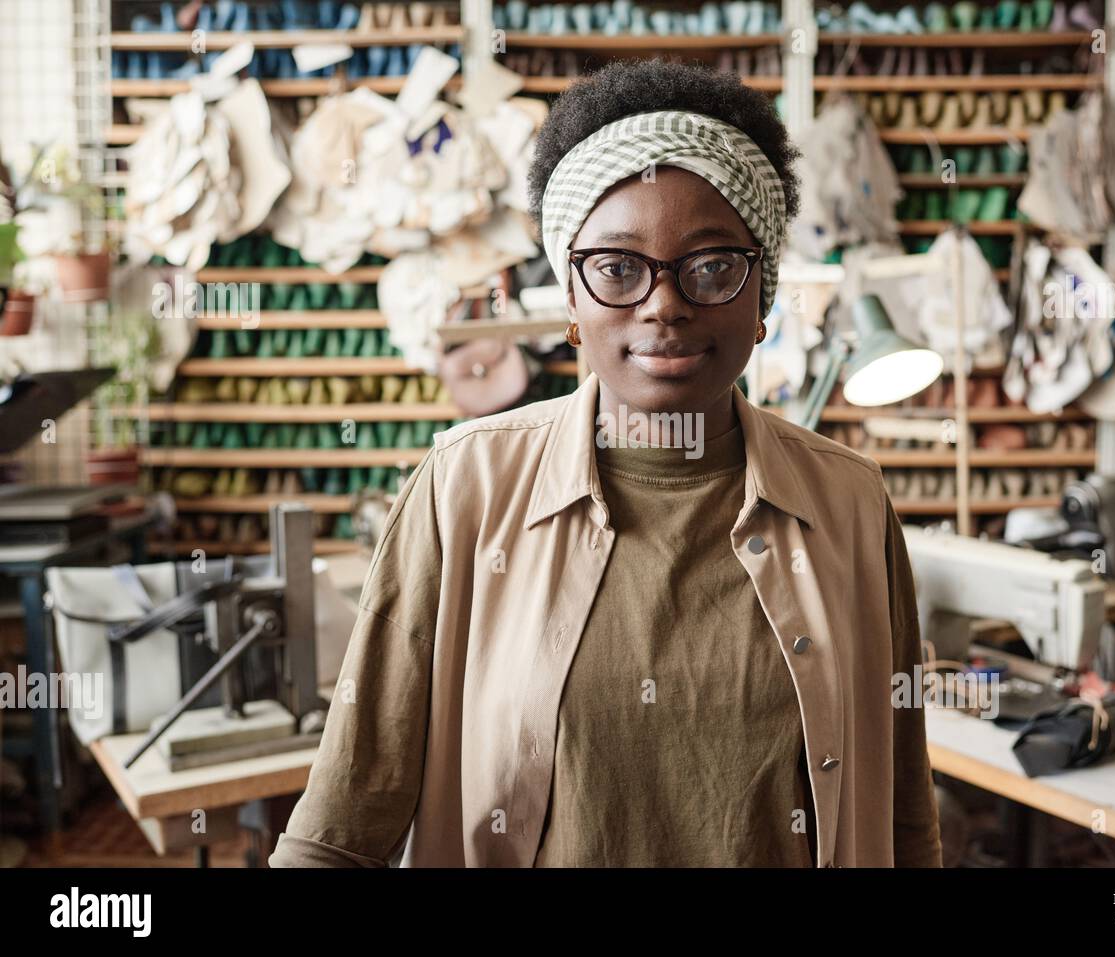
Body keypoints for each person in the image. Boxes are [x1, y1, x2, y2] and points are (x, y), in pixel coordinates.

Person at [269, 58, 942, 868]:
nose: (664, 303)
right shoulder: (463, 490)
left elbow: (905, 818)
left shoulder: (850, 503)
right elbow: (339, 830)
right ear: (572, 303)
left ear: (761, 301)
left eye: (712, 266)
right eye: (618, 268)